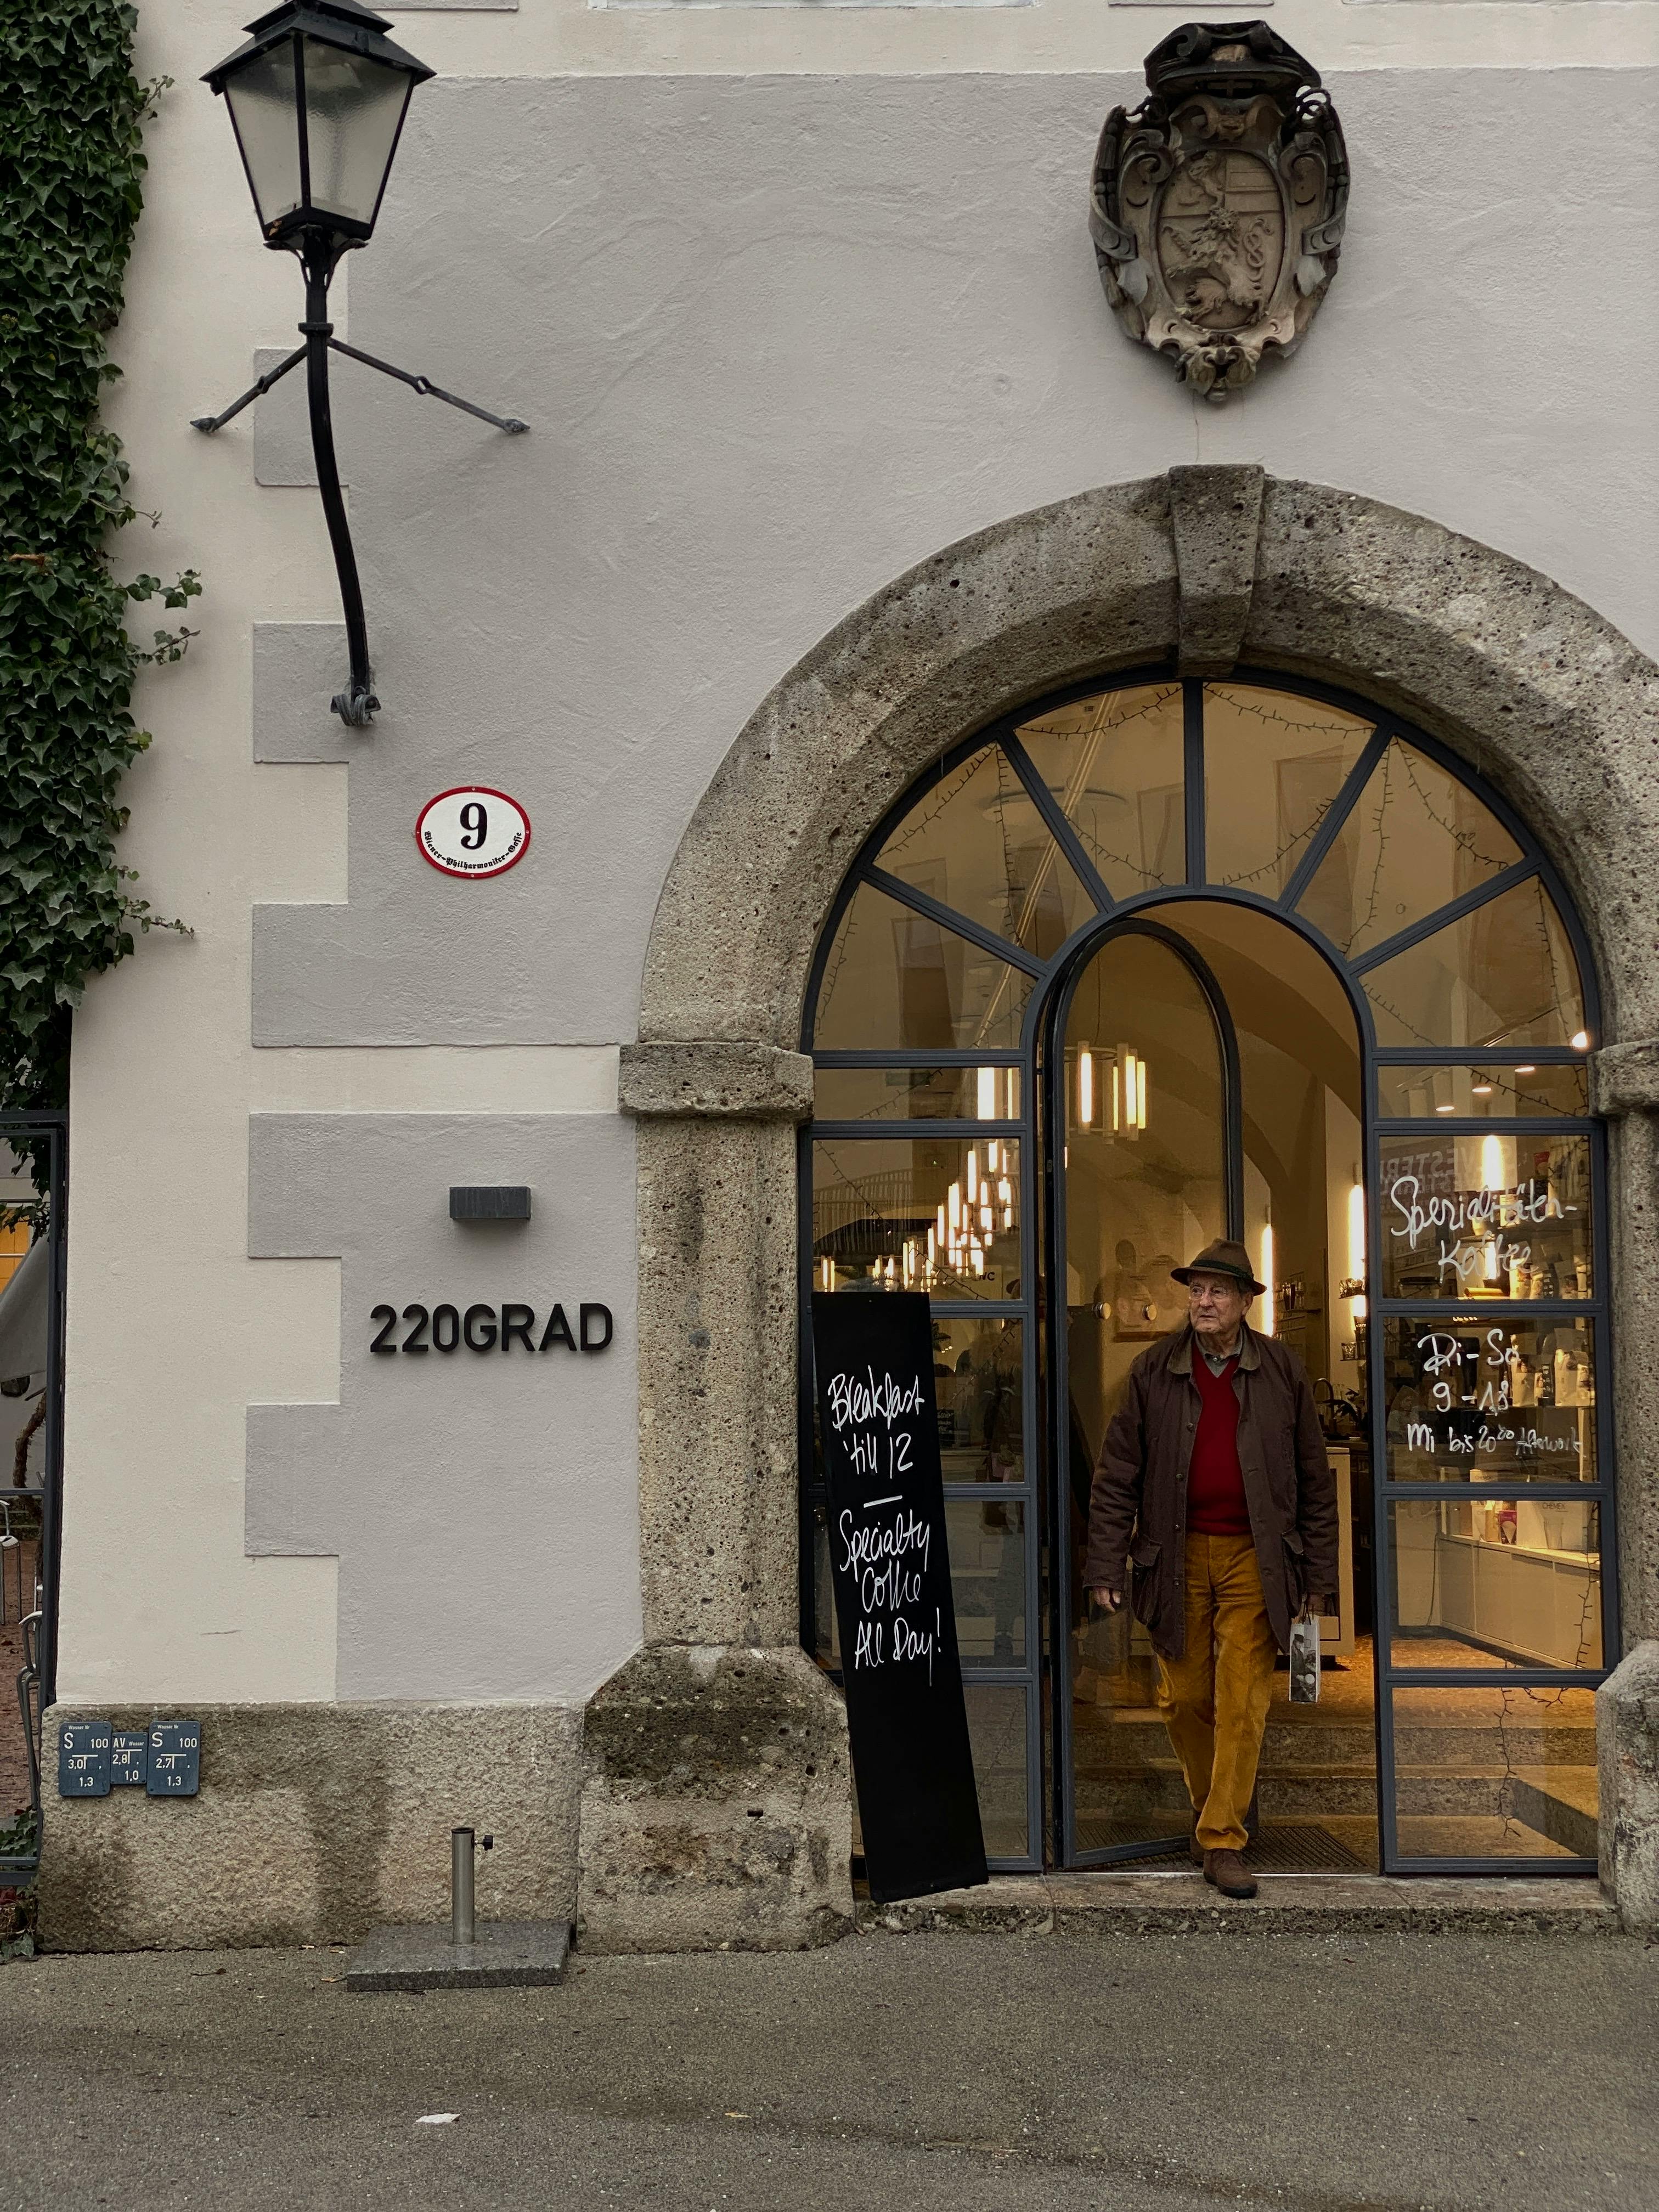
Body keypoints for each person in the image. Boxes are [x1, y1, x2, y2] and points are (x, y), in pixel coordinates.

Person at [1084, 1239, 1338, 1899]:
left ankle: (1223, 1839)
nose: (1202, 1301)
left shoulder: (1281, 1370)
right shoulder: (1152, 1370)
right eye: (1195, 1289)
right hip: (1175, 1554)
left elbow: (1315, 1479)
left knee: (1244, 1698)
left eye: (1217, 1291)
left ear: (1247, 1302)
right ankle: (1214, 1807)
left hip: (1258, 1557)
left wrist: (1319, 1576)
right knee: (1183, 1696)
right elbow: (1116, 1477)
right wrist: (1106, 1560)